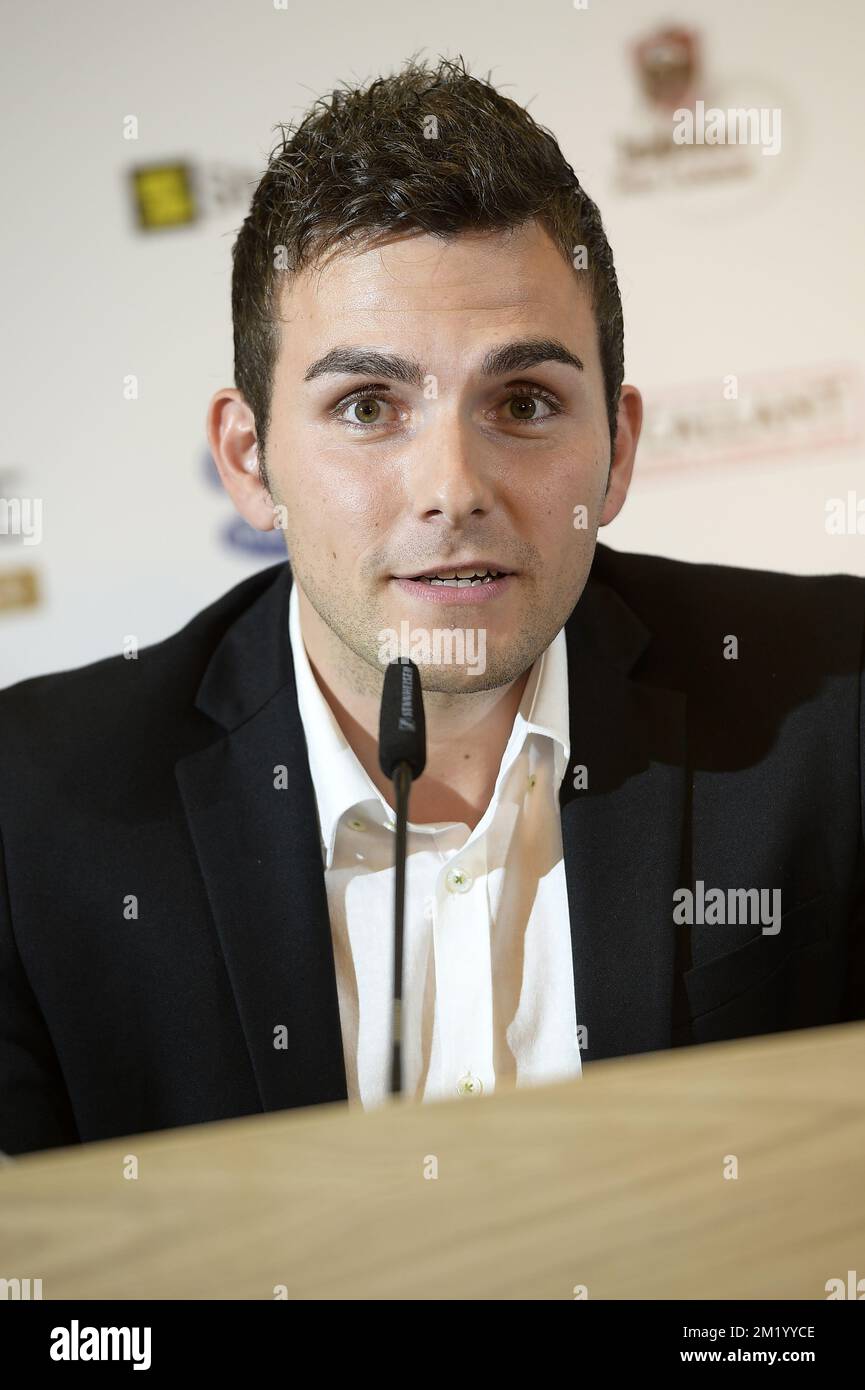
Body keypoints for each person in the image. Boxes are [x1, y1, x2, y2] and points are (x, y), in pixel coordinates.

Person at [1, 55, 862, 1158]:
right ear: (249, 457)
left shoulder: (837, 706)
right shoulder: (32, 810)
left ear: (618, 449)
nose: (452, 487)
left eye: (523, 401)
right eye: (367, 405)